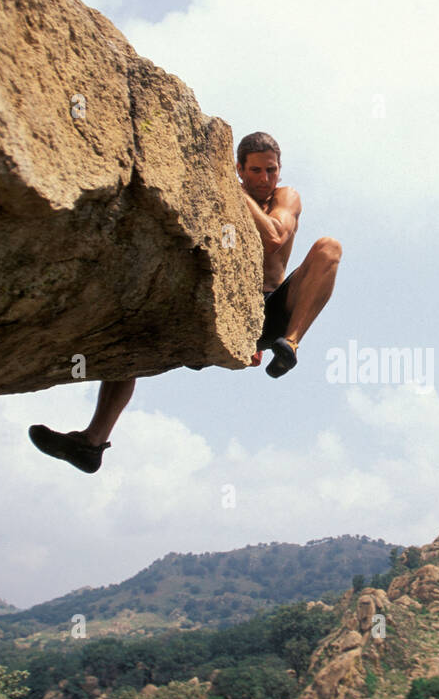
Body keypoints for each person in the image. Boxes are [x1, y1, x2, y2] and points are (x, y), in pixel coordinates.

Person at [28, 132, 341, 473]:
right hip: (216, 307)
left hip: (270, 314)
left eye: (271, 170)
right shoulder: (219, 196)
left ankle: (290, 346)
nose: (265, 179)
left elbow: (274, 237)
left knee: (329, 248)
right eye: (255, 171)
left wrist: (238, 195)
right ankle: (91, 443)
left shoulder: (285, 196)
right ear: (239, 168)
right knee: (133, 336)